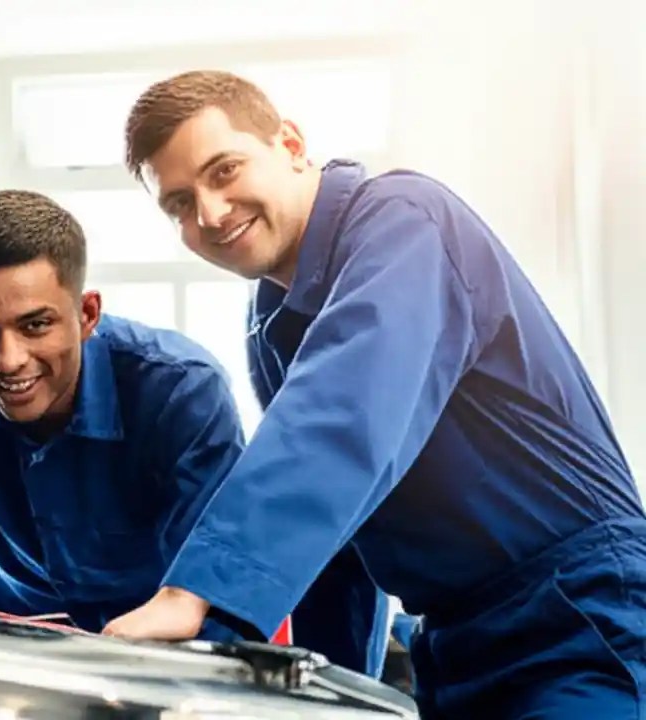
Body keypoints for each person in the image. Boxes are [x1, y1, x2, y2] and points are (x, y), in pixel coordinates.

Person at [100, 69, 646, 718]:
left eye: (224, 171)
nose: (210, 215)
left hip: (575, 612)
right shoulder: (270, 327)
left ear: (292, 144)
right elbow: (335, 536)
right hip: (454, 642)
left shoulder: (404, 219)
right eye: (179, 204)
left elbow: (342, 419)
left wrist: (193, 591)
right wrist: (316, 693)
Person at [0, 189, 247, 636]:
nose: (8, 359)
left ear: (87, 314)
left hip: (158, 644)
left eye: (35, 325)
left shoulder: (184, 391)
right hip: (9, 632)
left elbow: (217, 597)